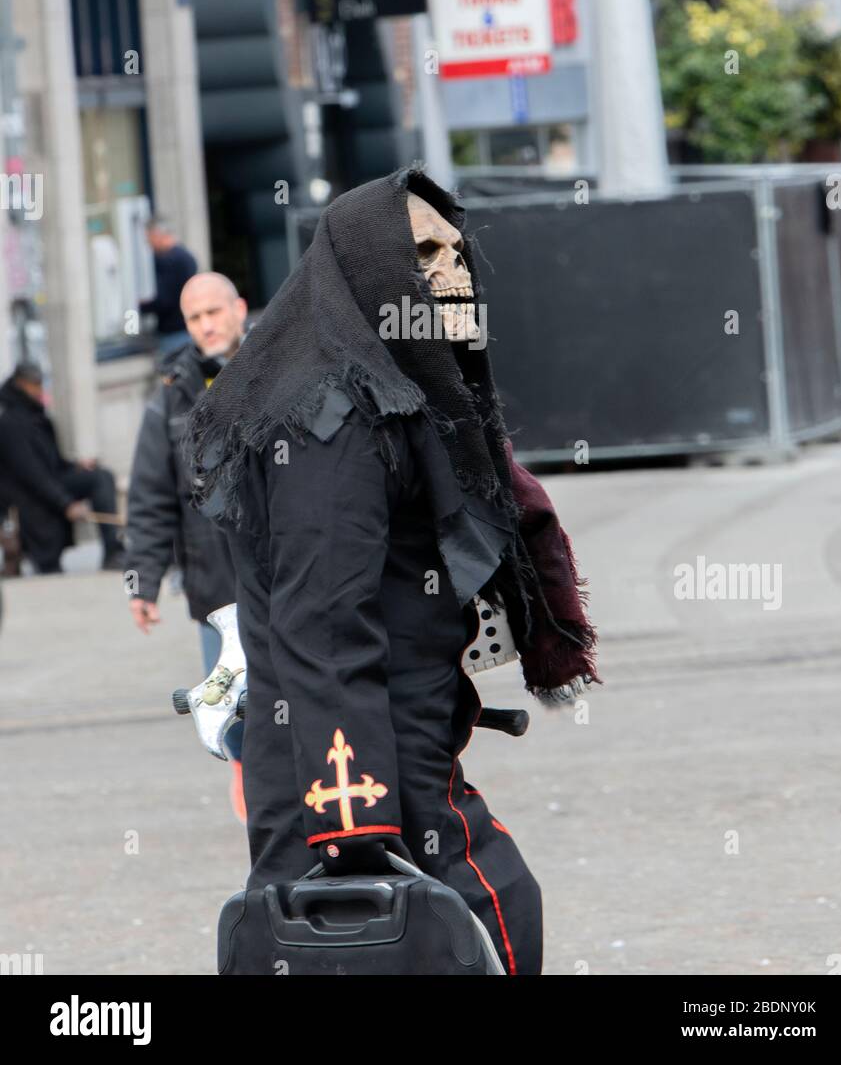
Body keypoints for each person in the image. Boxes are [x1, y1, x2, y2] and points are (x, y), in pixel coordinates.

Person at [185, 166, 600, 976]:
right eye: (424, 253)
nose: (450, 270)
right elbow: (322, 621)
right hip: (360, 758)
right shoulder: (327, 418)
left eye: (455, 251)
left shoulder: (389, 379)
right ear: (373, 269)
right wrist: (352, 821)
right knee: (490, 912)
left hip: (393, 733)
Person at [125, 273, 249, 821]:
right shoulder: (172, 393)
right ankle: (259, 819)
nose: (206, 326)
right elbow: (150, 495)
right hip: (216, 593)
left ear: (239, 308)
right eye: (195, 318)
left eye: (214, 312)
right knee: (232, 721)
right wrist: (142, 584)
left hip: (287, 577)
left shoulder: (278, 366)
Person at [0, 362, 124, 573]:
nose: (40, 390)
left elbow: (53, 462)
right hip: (28, 496)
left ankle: (112, 550)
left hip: (50, 482)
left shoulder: (37, 415)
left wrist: (76, 465)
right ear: (21, 384)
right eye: (35, 385)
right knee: (49, 566)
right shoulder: (10, 423)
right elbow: (32, 474)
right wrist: (65, 503)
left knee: (100, 477)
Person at [140, 216, 198, 358]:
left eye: (148, 238)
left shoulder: (168, 260)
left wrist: (138, 306)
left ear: (157, 235)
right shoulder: (186, 257)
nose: (148, 244)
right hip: (185, 329)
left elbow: (164, 299)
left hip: (173, 333)